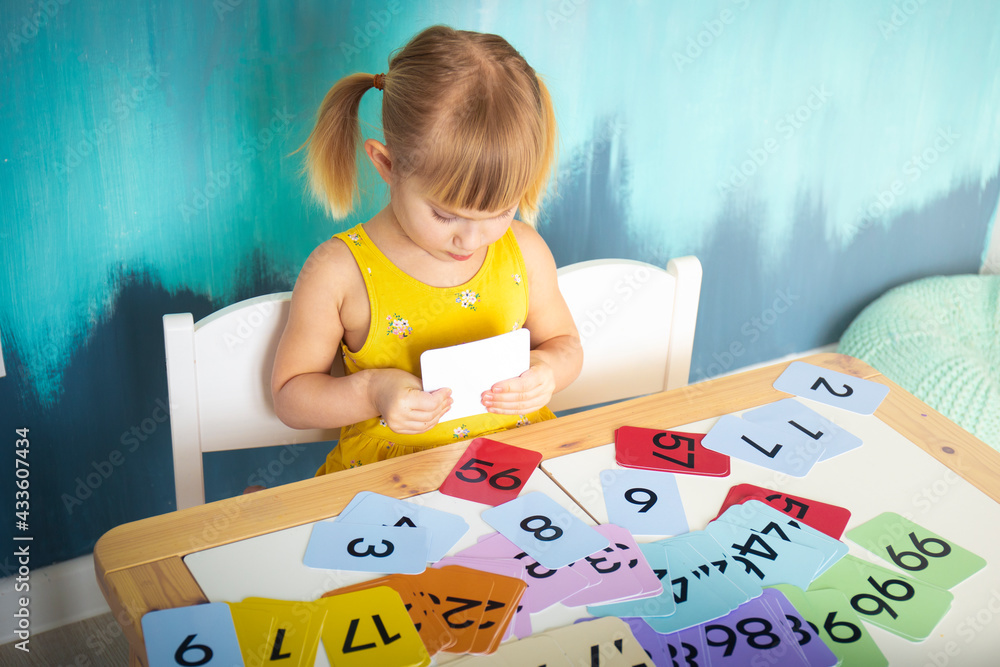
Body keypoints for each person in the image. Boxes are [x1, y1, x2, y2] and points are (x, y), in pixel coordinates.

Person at [271, 25, 583, 475]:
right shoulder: (339, 272)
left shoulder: (525, 251)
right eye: (445, 215)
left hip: (517, 473)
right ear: (386, 165)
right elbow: (291, 397)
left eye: (499, 211)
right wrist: (371, 391)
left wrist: (547, 371)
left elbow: (566, 344)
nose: (472, 240)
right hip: (391, 490)